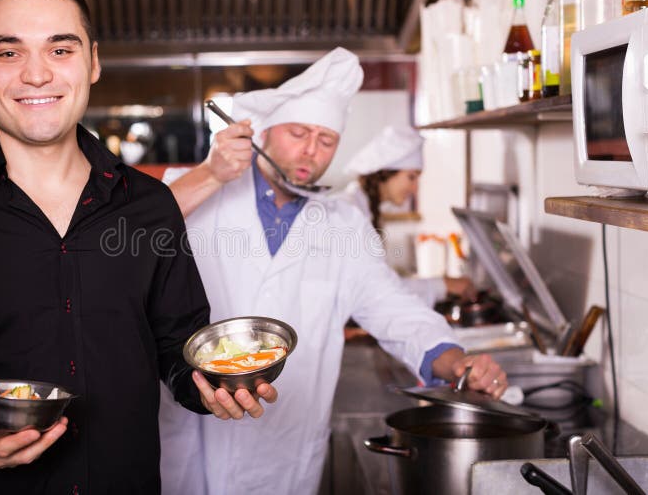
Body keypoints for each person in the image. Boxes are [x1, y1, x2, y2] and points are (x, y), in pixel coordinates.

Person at [0, 0, 275, 494]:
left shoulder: (150, 207)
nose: (36, 74)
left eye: (60, 49)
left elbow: (178, 349)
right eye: (9, 52)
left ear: (92, 62)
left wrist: (212, 386)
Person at [157, 47, 508, 495]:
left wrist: (457, 360)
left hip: (283, 452)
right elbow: (133, 229)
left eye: (326, 141)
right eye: (298, 132)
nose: (310, 151)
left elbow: (393, 307)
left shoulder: (344, 225)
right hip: (194, 440)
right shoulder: (197, 195)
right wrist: (210, 173)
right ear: (262, 132)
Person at [341, 125, 477, 306]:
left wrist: (441, 285)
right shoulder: (350, 213)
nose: (415, 189)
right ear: (385, 173)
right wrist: (443, 285)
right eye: (411, 177)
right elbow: (374, 290)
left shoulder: (361, 206)